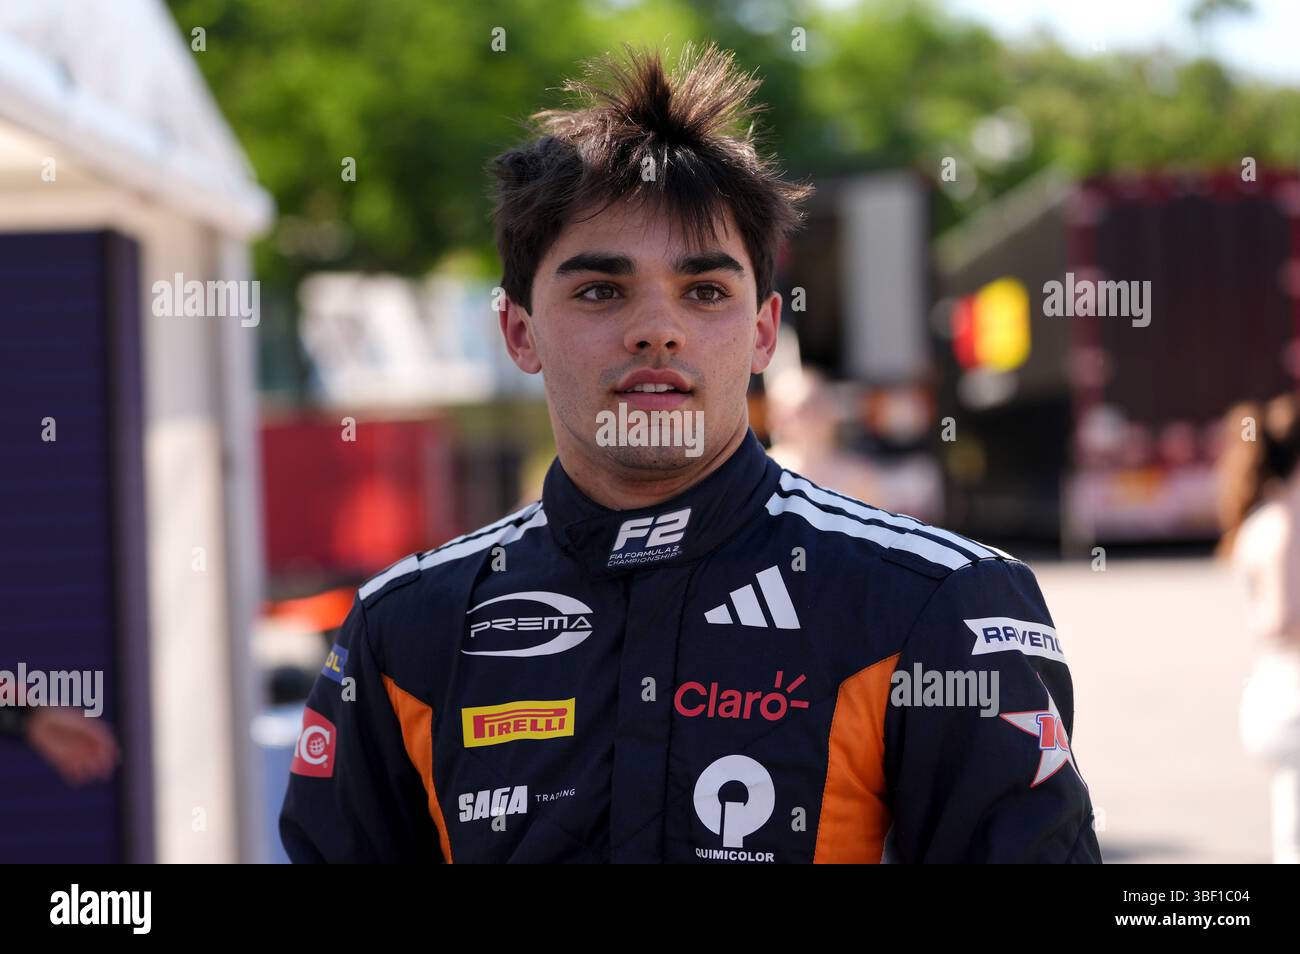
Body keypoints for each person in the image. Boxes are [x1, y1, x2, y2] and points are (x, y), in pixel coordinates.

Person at [279, 44, 1100, 863]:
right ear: (519, 332)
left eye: (705, 291)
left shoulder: (935, 607)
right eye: (601, 290)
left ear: (762, 333)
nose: (657, 328)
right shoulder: (405, 632)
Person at [1219, 394, 1300, 863]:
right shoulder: (1286, 521)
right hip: (1291, 695)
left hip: (1272, 692)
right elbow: (1282, 618)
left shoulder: (1259, 519)